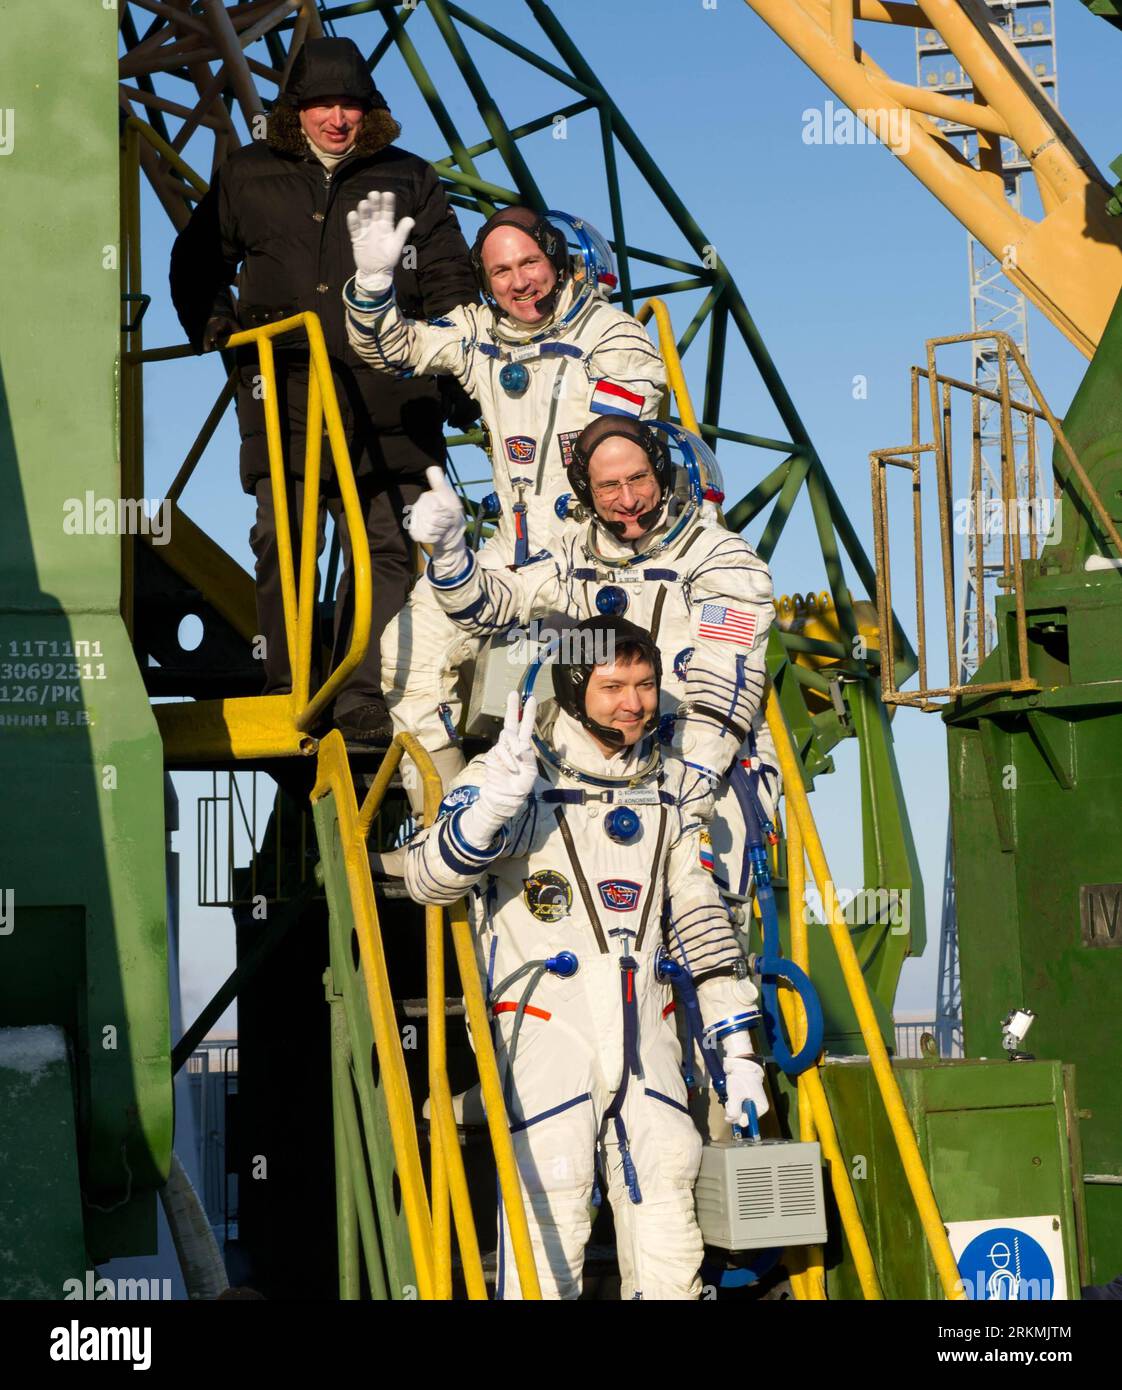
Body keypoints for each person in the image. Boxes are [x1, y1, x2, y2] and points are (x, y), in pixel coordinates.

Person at [403, 615, 768, 1299]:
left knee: (667, 1180)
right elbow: (428, 878)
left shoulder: (670, 789)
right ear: (574, 688)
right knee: (554, 1190)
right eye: (612, 686)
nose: (632, 702)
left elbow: (699, 918)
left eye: (645, 685)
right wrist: (489, 811)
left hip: (646, 1033)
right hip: (547, 1028)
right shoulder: (517, 774)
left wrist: (738, 1048)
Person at [169, 37, 478, 742]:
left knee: (390, 549)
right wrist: (219, 330)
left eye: (349, 104)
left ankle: (365, 694)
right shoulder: (246, 175)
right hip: (285, 393)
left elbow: (450, 277)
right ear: (295, 109)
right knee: (284, 537)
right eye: (321, 104)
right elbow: (195, 261)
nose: (336, 118)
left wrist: (459, 368)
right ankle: (292, 685)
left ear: (368, 110)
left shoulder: (412, 178)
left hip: (392, 397)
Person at [343, 197, 666, 788]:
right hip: (510, 553)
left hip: (590, 556)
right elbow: (389, 349)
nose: (520, 283)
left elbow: (617, 460)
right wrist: (371, 284)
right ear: (486, 280)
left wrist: (573, 570)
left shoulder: (615, 339)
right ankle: (444, 829)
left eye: (530, 263)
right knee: (407, 653)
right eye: (501, 271)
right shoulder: (478, 331)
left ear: (560, 263)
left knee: (569, 695)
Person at [404, 416, 778, 896]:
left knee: (699, 925)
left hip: (702, 771)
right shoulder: (572, 553)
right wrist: (451, 556)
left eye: (639, 479)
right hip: (599, 763)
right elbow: (491, 607)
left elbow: (725, 691)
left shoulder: (722, 561)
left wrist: (688, 787)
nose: (628, 500)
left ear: (662, 474)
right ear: (586, 491)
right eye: (609, 486)